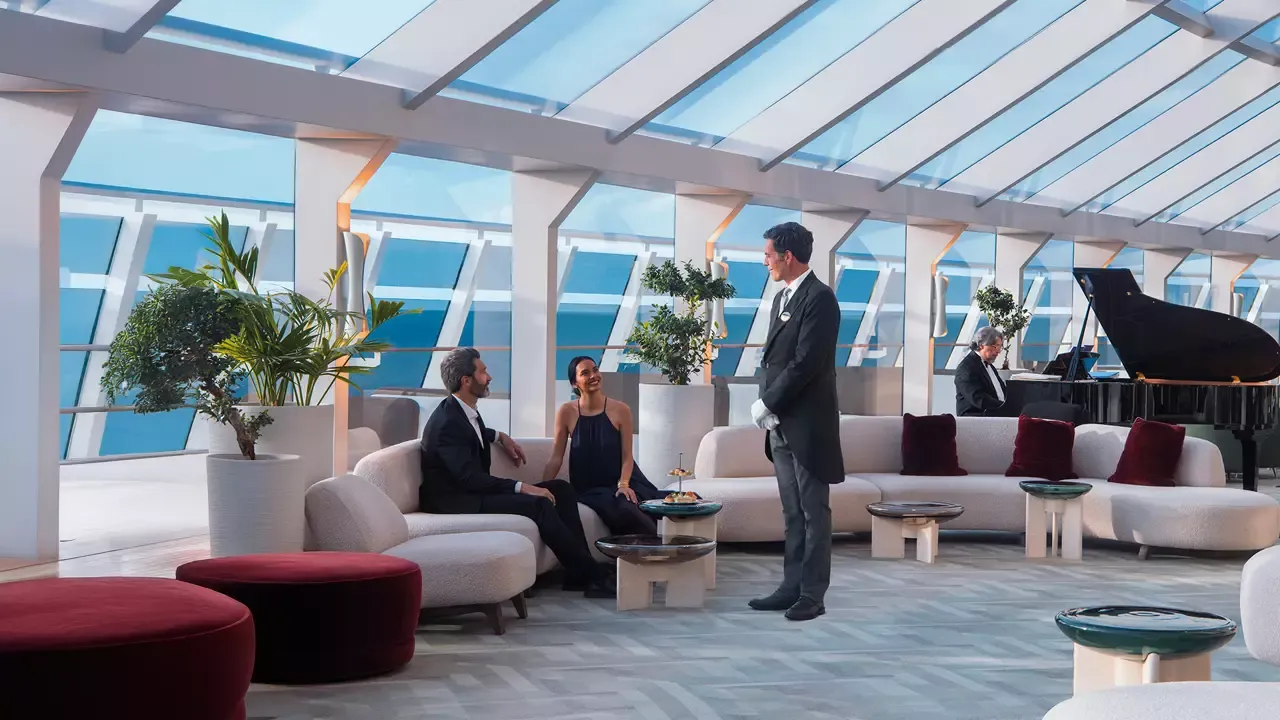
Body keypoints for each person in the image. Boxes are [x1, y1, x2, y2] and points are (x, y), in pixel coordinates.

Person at [419, 348, 615, 598]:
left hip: (471, 490)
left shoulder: (462, 411)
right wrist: (522, 486)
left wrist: (500, 436)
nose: (489, 377)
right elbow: (469, 478)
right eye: (483, 372)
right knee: (539, 504)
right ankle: (591, 573)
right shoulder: (446, 422)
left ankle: (577, 574)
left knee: (562, 489)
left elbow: (473, 433)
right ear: (466, 381)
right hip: (456, 499)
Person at [748, 221, 844, 622]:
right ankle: (790, 587)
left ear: (788, 256)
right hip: (781, 423)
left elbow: (805, 364)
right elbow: (777, 359)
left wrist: (766, 401)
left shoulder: (820, 299)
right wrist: (769, 407)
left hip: (807, 425)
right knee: (791, 513)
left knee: (813, 512)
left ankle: (812, 594)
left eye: (769, 254)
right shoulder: (783, 297)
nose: (765, 260)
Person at [541, 356, 663, 535]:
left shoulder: (621, 410)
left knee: (676, 503)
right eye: (585, 373)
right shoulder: (566, 412)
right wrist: (540, 488)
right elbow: (556, 458)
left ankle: (660, 553)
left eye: (595, 370)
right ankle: (652, 552)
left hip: (623, 482)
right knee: (625, 511)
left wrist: (623, 484)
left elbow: (627, 455)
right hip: (589, 488)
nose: (593, 376)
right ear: (575, 383)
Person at [955, 327, 1007, 417]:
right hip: (976, 419)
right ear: (981, 345)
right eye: (995, 346)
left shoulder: (990, 366)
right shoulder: (966, 367)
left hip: (994, 416)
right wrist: (1005, 407)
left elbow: (1001, 391)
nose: (998, 351)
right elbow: (978, 398)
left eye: (999, 347)